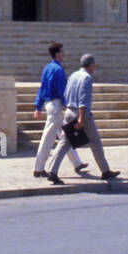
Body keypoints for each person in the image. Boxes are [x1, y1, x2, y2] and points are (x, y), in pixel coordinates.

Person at [46, 53, 119, 184]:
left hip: (69, 111)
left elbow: (66, 94)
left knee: (65, 142)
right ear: (91, 65)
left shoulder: (73, 75)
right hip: (80, 113)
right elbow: (83, 100)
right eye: (94, 65)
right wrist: (81, 119)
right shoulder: (87, 78)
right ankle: (105, 171)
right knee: (95, 141)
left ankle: (52, 171)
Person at [32, 41, 88, 179]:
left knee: (65, 135)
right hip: (56, 105)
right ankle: (38, 168)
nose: (64, 54)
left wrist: (38, 106)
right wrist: (69, 104)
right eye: (62, 52)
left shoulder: (47, 68)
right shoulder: (58, 70)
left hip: (49, 105)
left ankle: (77, 163)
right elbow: (62, 90)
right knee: (48, 137)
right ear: (57, 54)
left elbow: (41, 88)